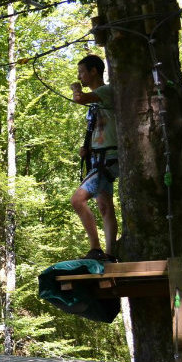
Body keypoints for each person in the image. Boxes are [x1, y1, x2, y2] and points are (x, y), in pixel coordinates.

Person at [70, 54, 119, 262]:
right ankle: (110, 253)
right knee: (104, 206)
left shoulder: (105, 92)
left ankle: (96, 249)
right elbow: (101, 128)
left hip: (109, 157)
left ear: (94, 71)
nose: (80, 76)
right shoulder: (96, 103)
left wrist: (75, 89)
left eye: (82, 72)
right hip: (99, 156)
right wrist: (87, 148)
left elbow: (79, 98)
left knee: (77, 200)